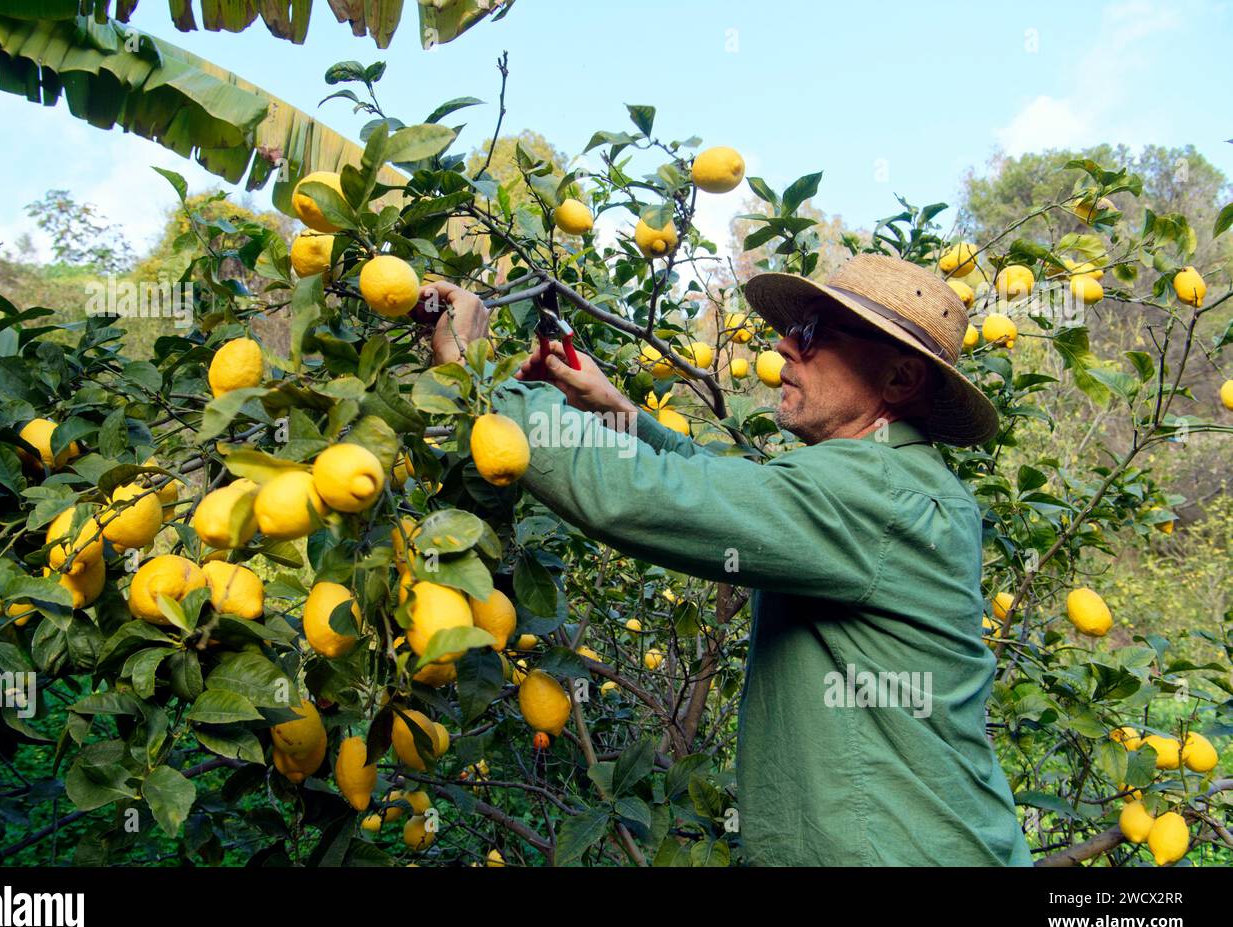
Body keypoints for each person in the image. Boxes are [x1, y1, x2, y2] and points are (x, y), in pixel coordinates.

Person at [422, 253, 1032, 866]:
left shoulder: (877, 494)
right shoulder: (886, 481)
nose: (786, 346)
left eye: (816, 332)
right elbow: (726, 488)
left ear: (899, 380)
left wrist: (482, 385)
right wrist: (614, 409)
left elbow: (641, 499)